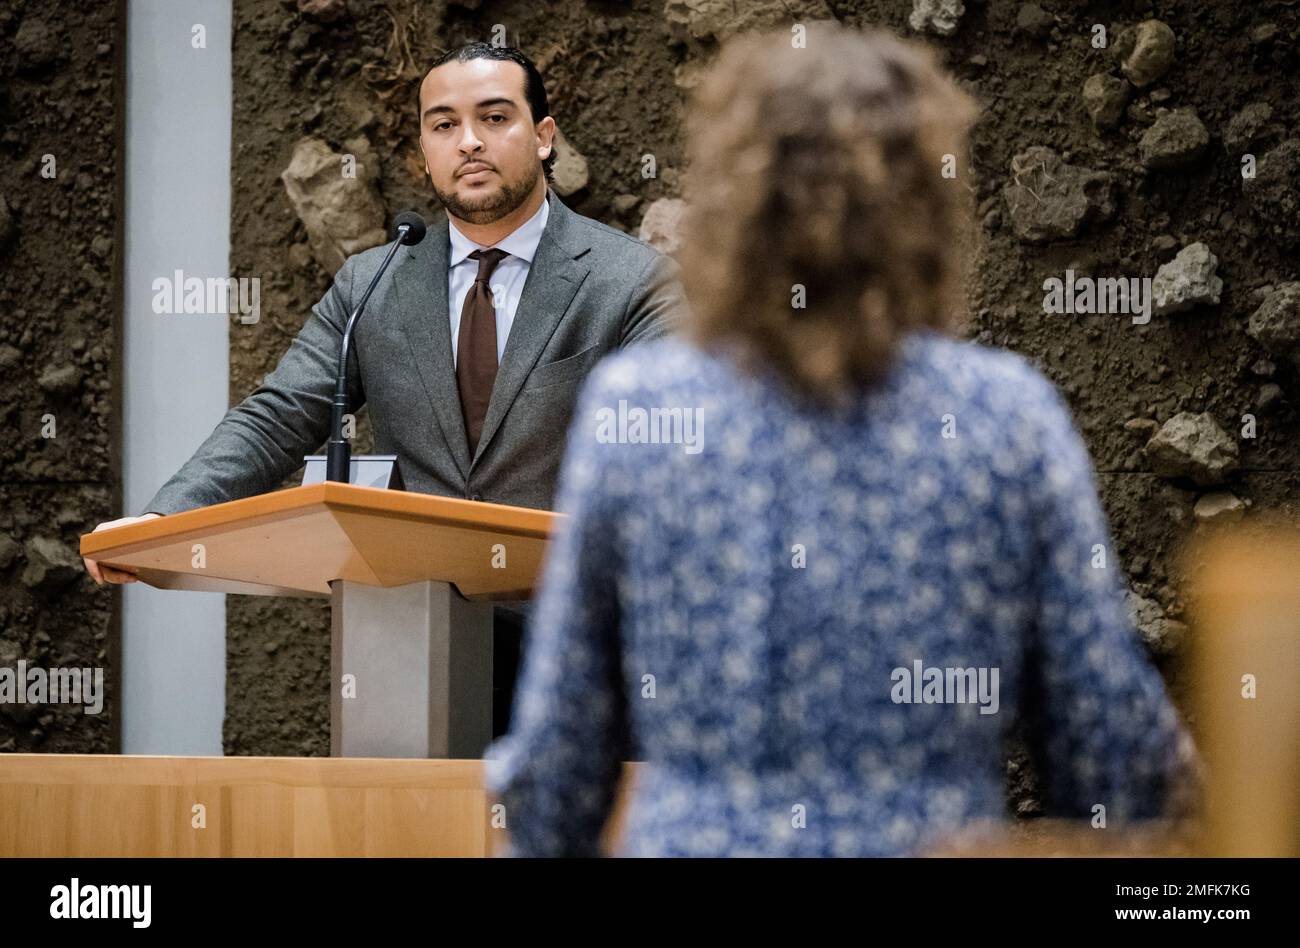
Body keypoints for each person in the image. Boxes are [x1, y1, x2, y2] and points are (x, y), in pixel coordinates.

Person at [484, 24, 1202, 856]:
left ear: (728, 203)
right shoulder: (1005, 418)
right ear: (924, 206)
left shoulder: (636, 412)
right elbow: (1112, 751)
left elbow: (559, 763)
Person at [81, 42, 686, 737]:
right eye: (444, 125)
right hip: (412, 651)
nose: (469, 142)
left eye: (494, 118)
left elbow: (672, 458)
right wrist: (165, 520)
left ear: (545, 137)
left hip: (584, 656)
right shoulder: (375, 283)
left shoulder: (632, 282)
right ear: (423, 150)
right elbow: (280, 415)